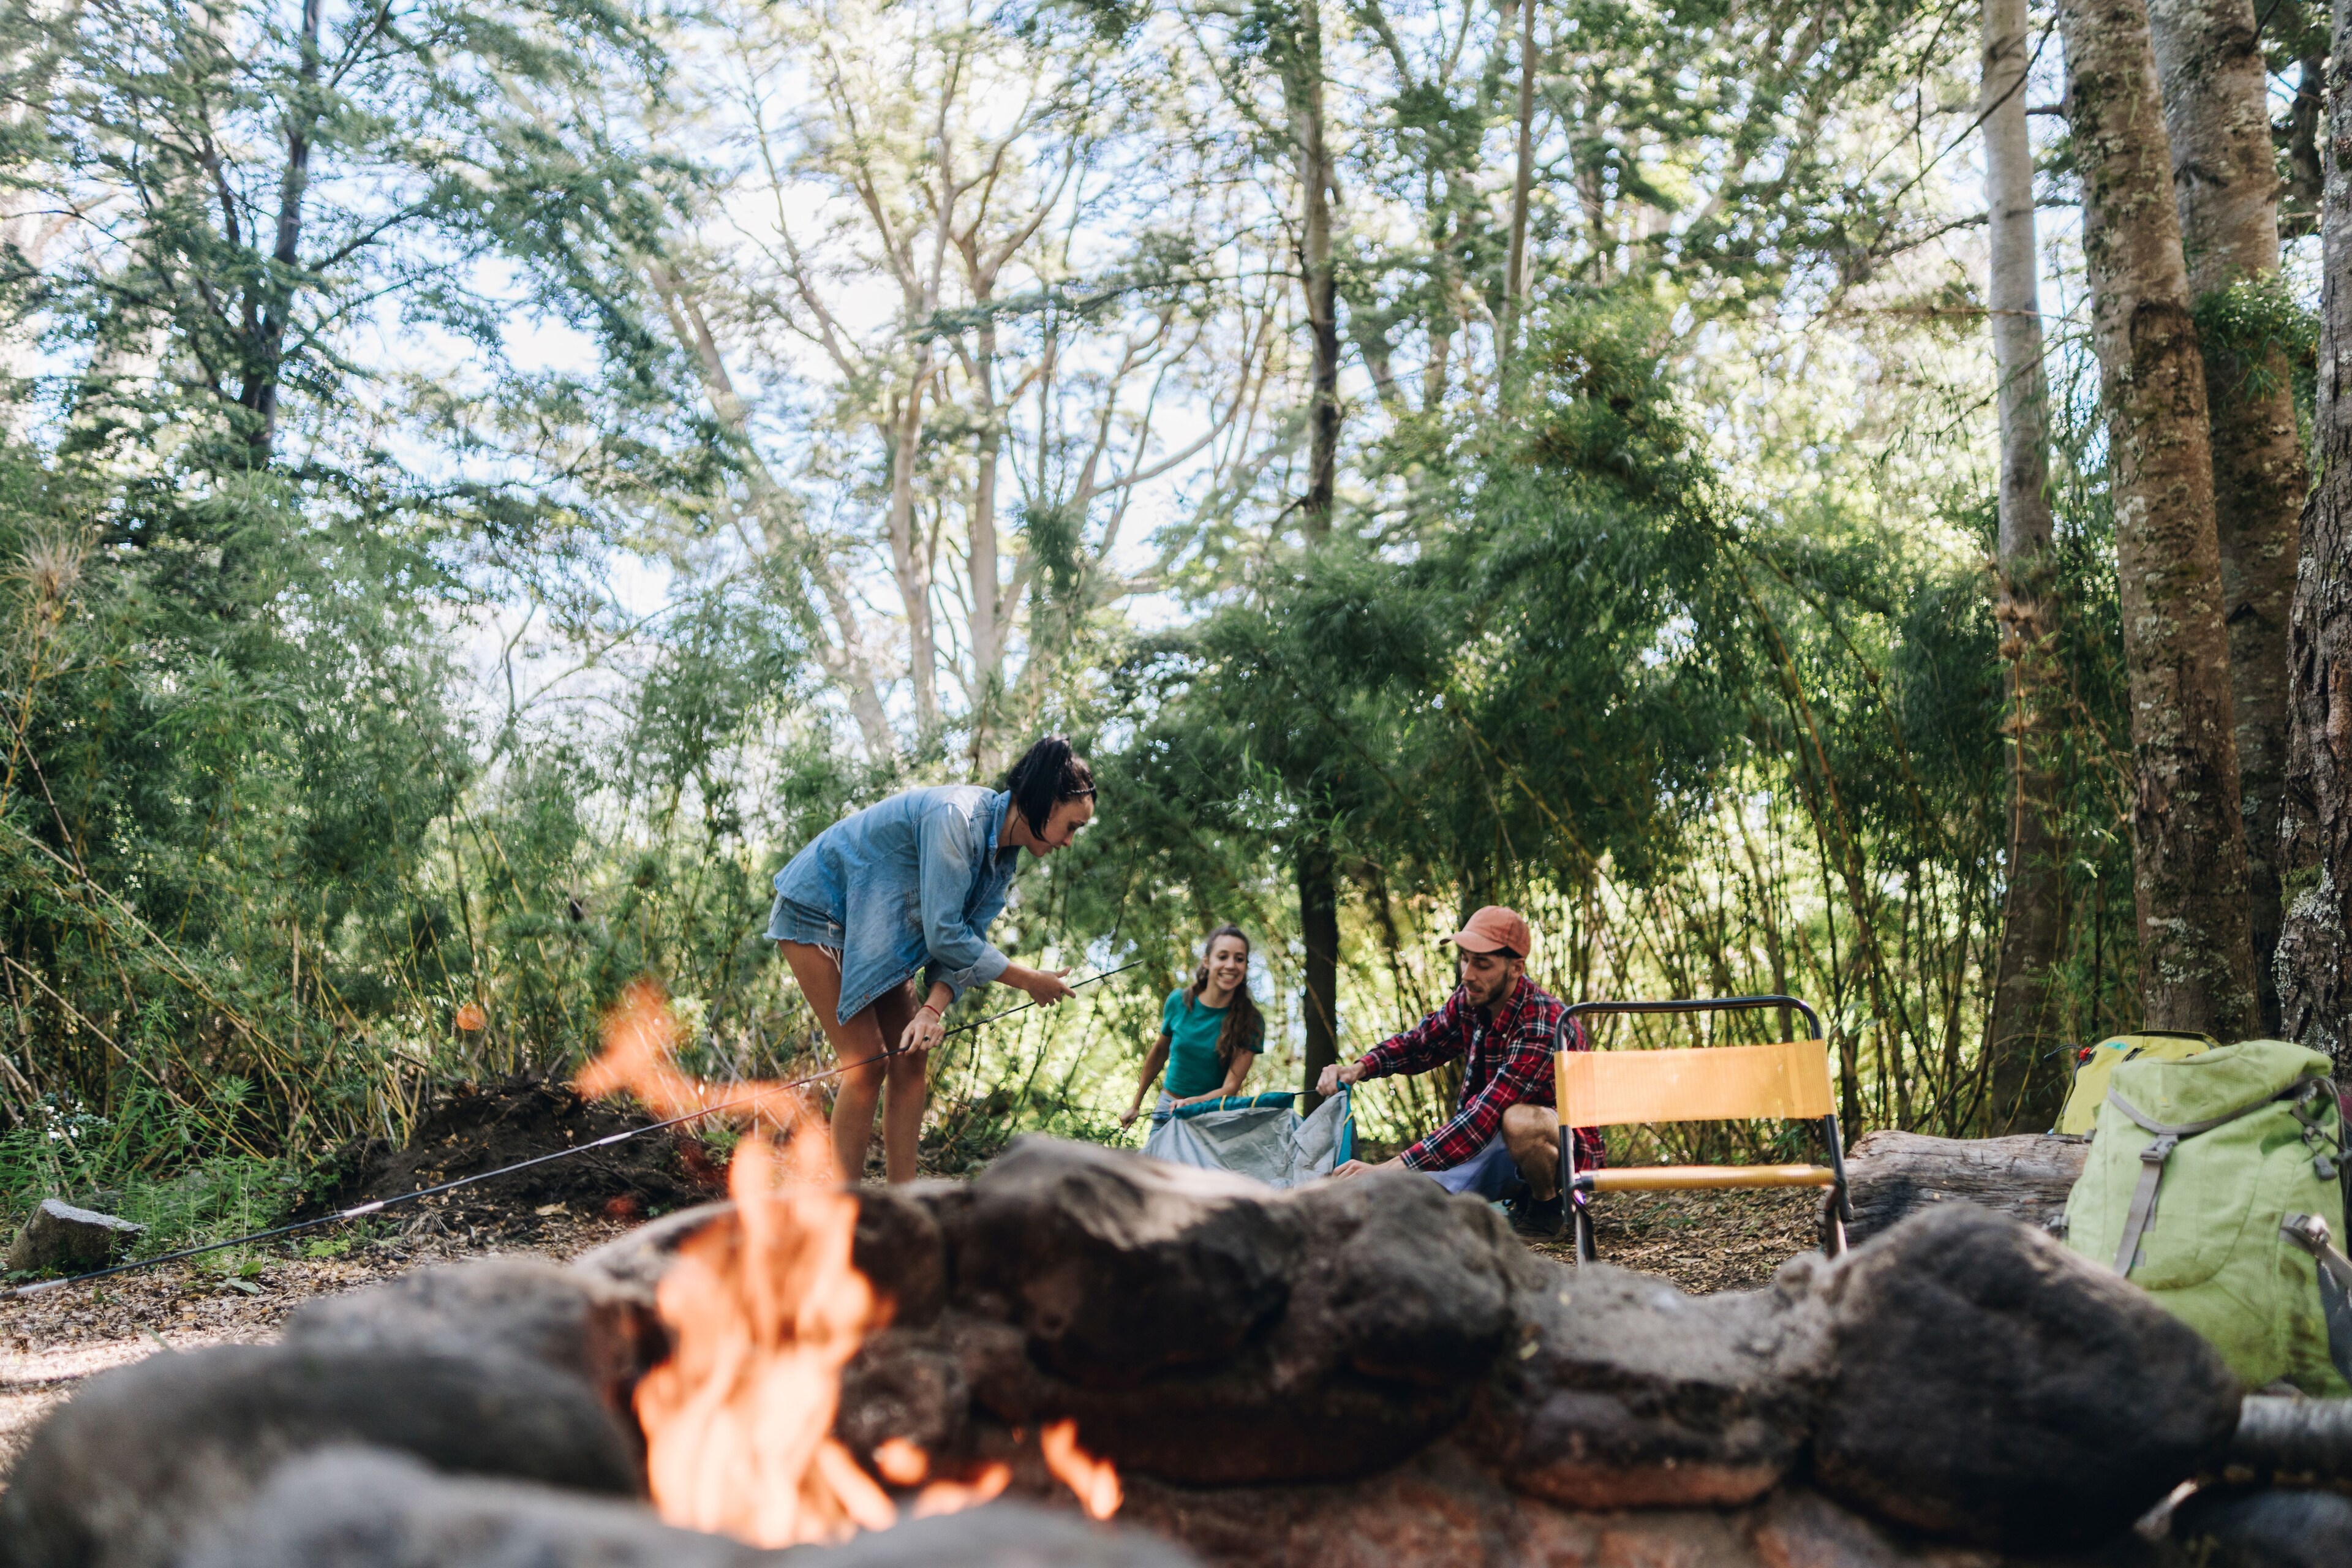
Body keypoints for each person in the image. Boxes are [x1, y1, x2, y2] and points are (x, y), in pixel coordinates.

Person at [768, 735, 1096, 1183]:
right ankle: (846, 1204)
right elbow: (944, 935)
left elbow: (966, 939)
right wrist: (1029, 980)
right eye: (1072, 826)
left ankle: (906, 1200)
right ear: (1046, 804)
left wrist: (931, 1010)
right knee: (866, 1062)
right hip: (818, 908)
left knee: (910, 1057)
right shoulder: (956, 818)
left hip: (875, 934)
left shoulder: (1003, 860)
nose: (1070, 841)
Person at [1313, 905, 1600, 1235]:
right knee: (1417, 1204)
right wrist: (1359, 1068)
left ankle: (1547, 1206)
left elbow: (1487, 1111)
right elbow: (1422, 1044)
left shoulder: (1543, 1021)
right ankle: (1494, 1195)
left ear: (1516, 968)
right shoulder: (1472, 999)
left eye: (1482, 964)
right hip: (1491, 1141)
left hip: (1562, 1148)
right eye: (1465, 959)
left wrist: (1390, 1167)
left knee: (1519, 1120)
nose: (1467, 974)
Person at [1120, 925, 1264, 1129]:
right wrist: (1136, 1105)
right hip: (1167, 1110)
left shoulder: (1251, 1020)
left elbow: (1231, 1087)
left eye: (1239, 959)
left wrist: (1193, 1102)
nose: (1231, 965)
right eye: (1222, 957)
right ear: (1207, 961)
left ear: (1246, 966)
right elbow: (1159, 1052)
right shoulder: (1179, 1001)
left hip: (1211, 1116)